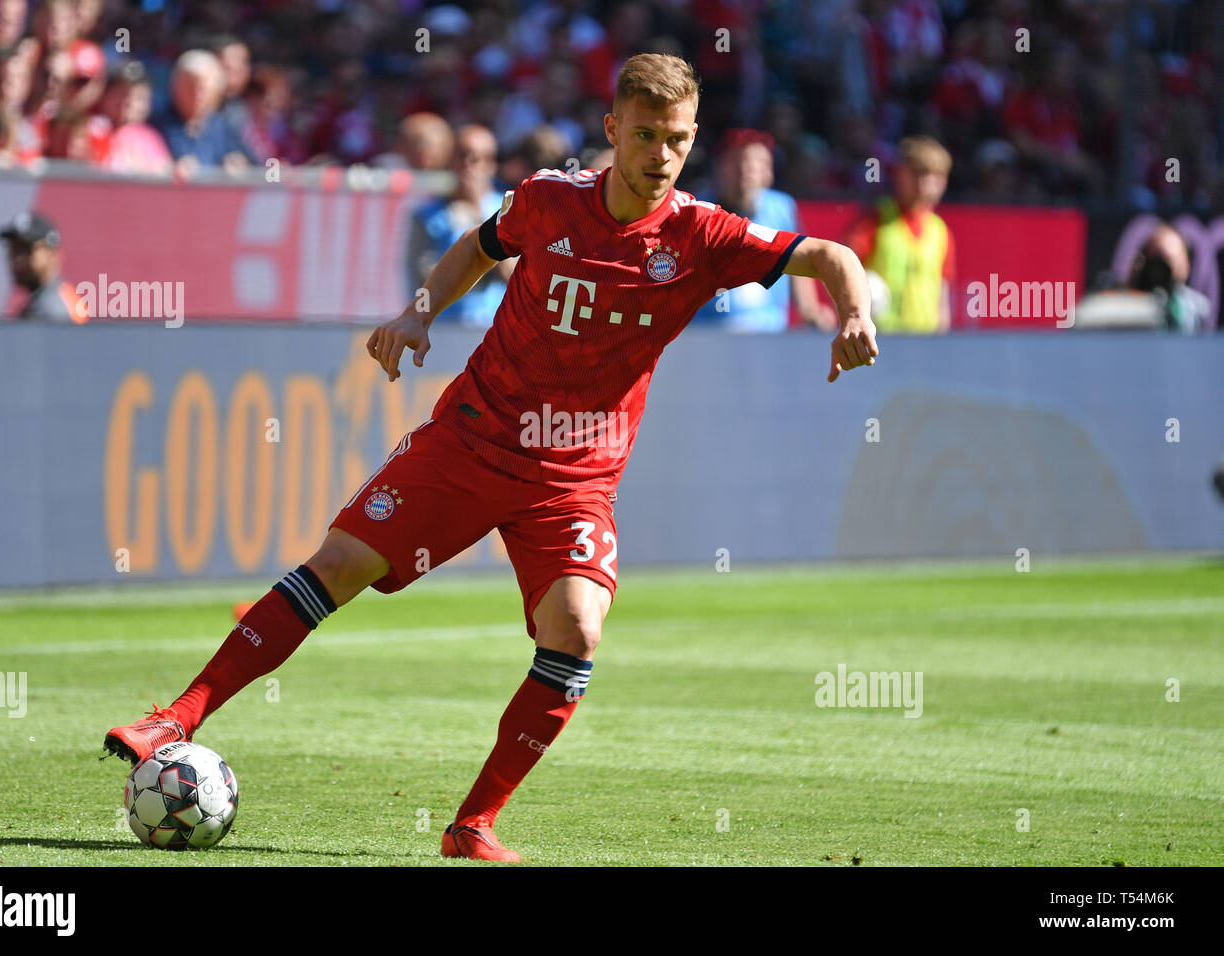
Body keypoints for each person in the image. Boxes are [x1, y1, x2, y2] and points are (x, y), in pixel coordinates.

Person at [103, 53, 877, 862]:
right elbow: (479, 246)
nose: (660, 156)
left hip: (573, 478)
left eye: (676, 140)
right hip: (475, 438)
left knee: (576, 630)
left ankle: (472, 825)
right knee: (339, 564)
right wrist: (417, 313)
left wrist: (852, 314)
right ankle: (177, 717)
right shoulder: (550, 200)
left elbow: (830, 256)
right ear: (613, 131)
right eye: (644, 135)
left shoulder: (701, 234)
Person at [691, 128, 836, 332]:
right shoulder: (696, 209)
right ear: (721, 168)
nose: (745, 170)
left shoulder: (782, 209)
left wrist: (810, 312)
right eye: (737, 161)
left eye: (756, 164)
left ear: (769, 173)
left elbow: (799, 264)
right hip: (706, 333)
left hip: (769, 334)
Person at [845, 135, 955, 333]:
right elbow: (843, 268)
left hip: (925, 341)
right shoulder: (875, 219)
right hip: (878, 339)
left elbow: (942, 294)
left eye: (935, 176)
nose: (926, 182)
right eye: (918, 173)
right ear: (900, 174)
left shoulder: (940, 231)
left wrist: (942, 338)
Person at [408, 124, 513, 326]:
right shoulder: (426, 215)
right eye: (461, 156)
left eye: (476, 158)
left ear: (491, 164)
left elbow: (512, 274)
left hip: (496, 330)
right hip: (444, 328)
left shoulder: (510, 208)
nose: (468, 166)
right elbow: (425, 280)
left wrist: (478, 211)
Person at [0, 211, 88, 322]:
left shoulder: (54, 310)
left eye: (26, 250)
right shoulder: (47, 300)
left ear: (52, 254)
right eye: (14, 250)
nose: (17, 259)